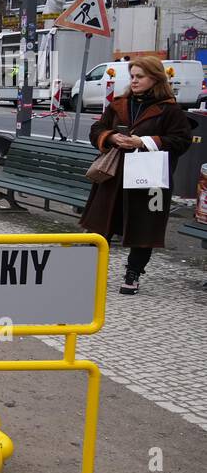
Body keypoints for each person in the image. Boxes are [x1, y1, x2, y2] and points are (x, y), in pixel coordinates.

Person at [79, 55, 193, 295]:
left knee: (144, 226)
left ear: (155, 78)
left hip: (151, 176)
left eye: (140, 76)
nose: (134, 81)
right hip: (114, 174)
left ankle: (133, 273)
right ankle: (87, 270)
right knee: (102, 223)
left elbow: (182, 141)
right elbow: (96, 130)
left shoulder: (170, 110)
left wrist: (143, 141)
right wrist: (110, 137)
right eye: (132, 76)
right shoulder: (119, 103)